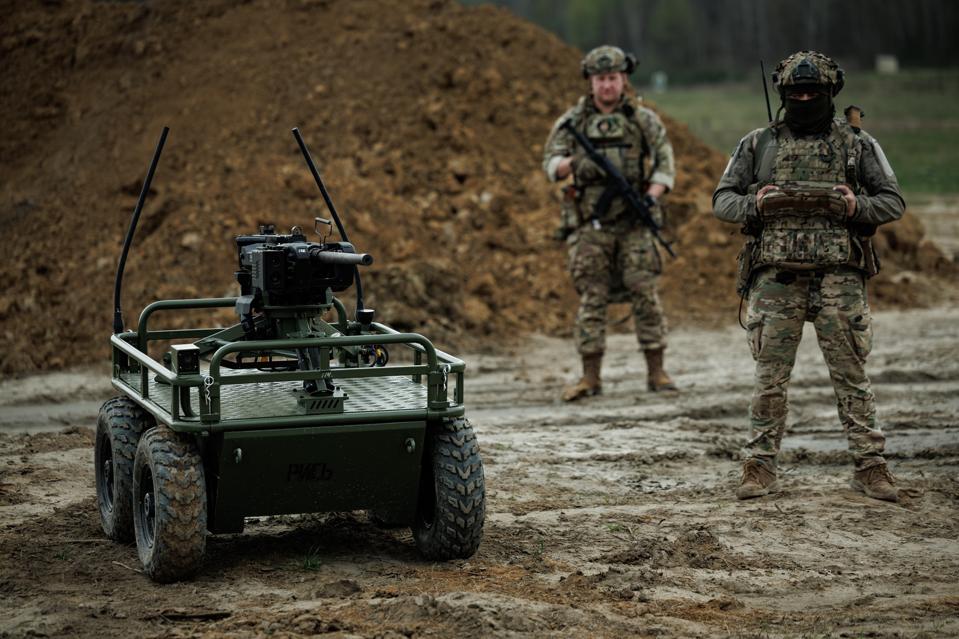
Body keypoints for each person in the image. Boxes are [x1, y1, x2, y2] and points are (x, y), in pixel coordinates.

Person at [713, 51, 905, 502]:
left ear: (830, 93)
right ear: (782, 94)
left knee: (851, 374)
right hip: (776, 277)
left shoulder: (857, 144)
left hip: (839, 276)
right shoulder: (758, 144)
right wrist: (756, 204)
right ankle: (760, 465)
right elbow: (722, 200)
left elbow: (893, 202)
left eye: (812, 93)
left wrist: (856, 206)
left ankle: (870, 466)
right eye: (795, 94)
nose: (803, 100)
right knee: (770, 378)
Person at [543, 45, 677, 401]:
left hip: (634, 222)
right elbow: (551, 165)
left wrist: (651, 197)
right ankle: (590, 377)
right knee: (592, 297)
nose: (606, 85)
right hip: (591, 225)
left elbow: (665, 164)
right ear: (590, 81)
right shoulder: (573, 122)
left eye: (613, 78)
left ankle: (657, 371)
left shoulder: (642, 120)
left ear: (624, 79)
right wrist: (576, 163)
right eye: (600, 79)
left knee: (644, 293)